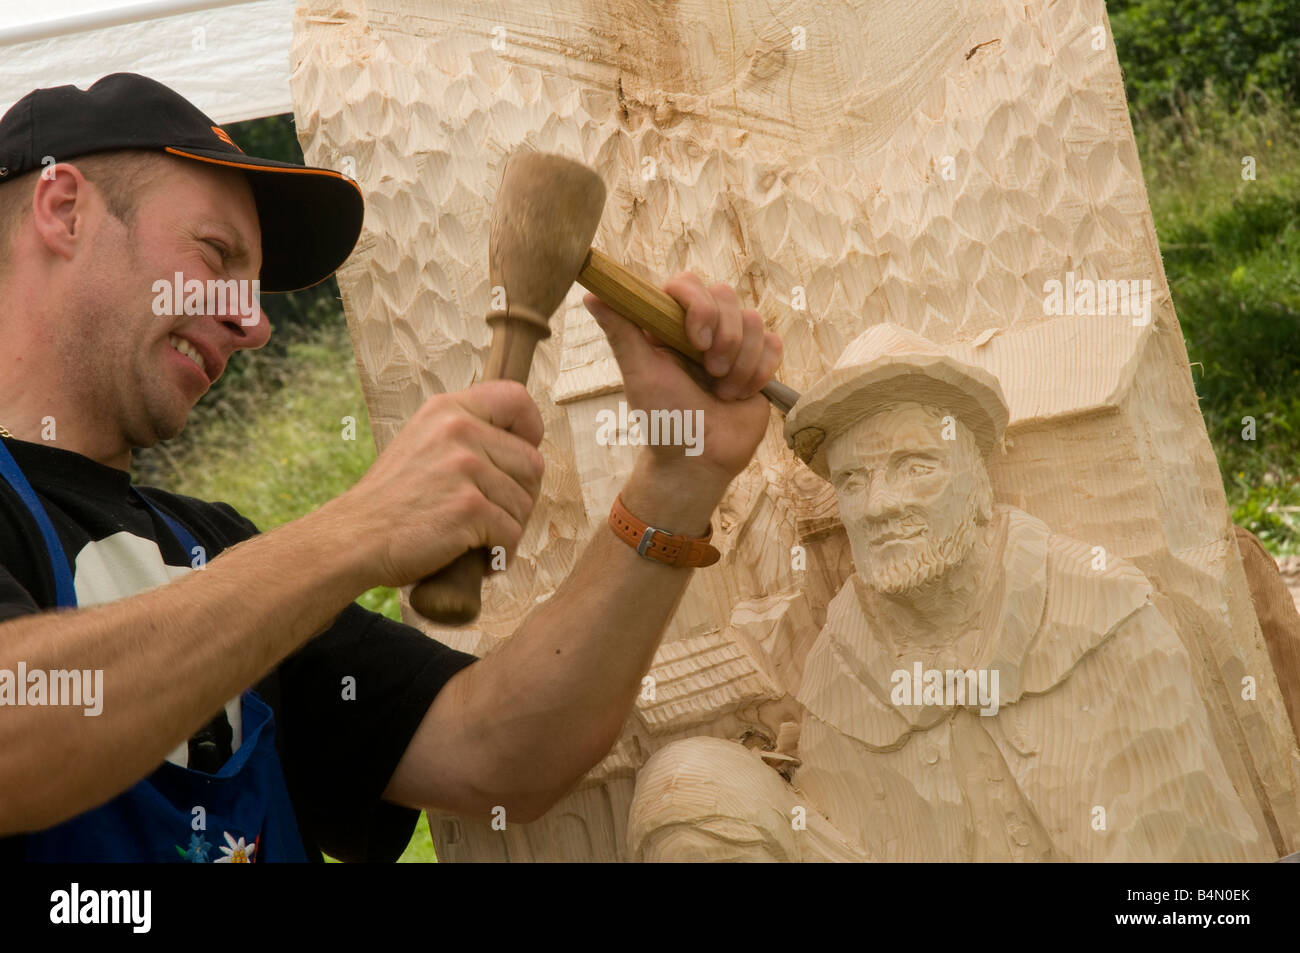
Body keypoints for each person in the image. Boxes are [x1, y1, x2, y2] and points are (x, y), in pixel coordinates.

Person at [0, 73, 782, 862]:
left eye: (257, 284)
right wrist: (359, 529)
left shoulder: (215, 551)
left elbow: (498, 749)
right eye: (216, 253)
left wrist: (679, 480)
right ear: (64, 208)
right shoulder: (266, 574)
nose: (256, 324)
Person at [629, 323, 1272, 862]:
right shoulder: (842, 668)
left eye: (916, 466)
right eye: (853, 480)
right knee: (691, 795)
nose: (880, 506)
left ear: (979, 478)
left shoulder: (1102, 617)